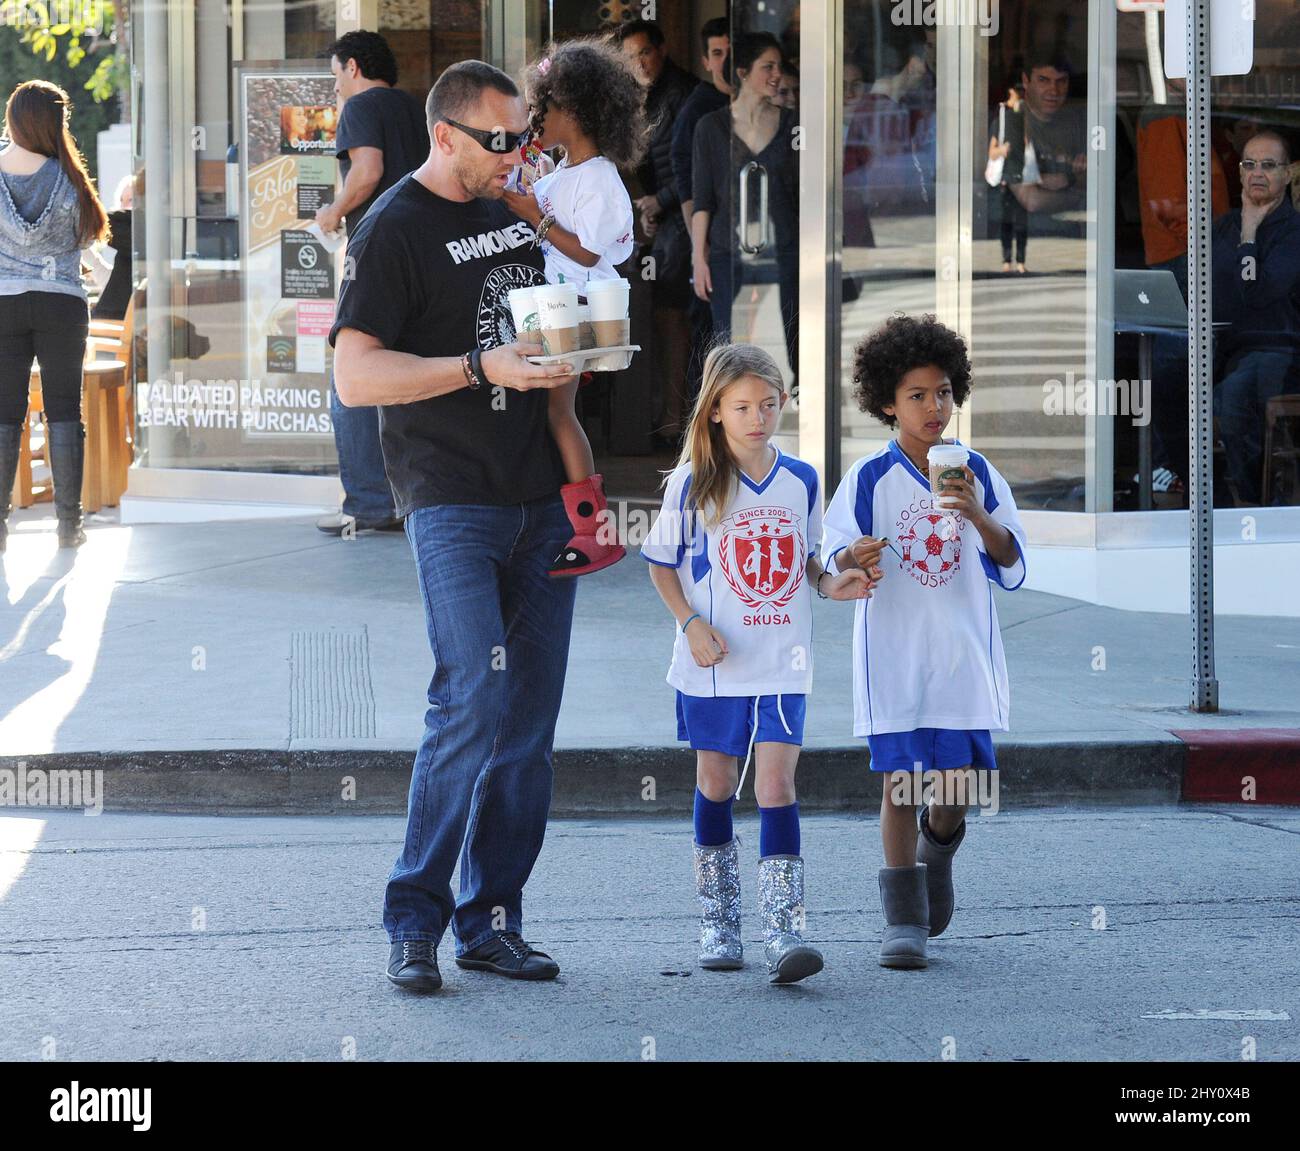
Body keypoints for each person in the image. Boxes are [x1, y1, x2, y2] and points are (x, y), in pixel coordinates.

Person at [329, 59, 581, 993]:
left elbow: (537, 336)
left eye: (526, 138)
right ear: (446, 136)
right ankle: (415, 921)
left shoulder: (511, 214)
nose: (518, 154)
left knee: (529, 723)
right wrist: (480, 369)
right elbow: (357, 378)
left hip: (538, 495)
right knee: (470, 697)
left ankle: (494, 922)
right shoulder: (392, 225)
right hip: (449, 497)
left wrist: (568, 360)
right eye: (501, 139)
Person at [642, 341, 871, 984]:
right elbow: (661, 565)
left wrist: (835, 585)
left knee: (777, 788)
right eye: (742, 406)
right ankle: (719, 921)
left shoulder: (801, 479)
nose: (757, 417)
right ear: (716, 410)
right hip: (714, 667)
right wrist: (690, 625)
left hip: (782, 665)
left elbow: (805, 566)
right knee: (716, 786)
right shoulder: (693, 482)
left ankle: (784, 931)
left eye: (769, 405)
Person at [820, 314, 1027, 969]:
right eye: (917, 395)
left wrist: (976, 512)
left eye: (942, 391)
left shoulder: (978, 471)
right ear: (887, 402)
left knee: (955, 785)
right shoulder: (866, 479)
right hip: (895, 656)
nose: (934, 406)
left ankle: (937, 850)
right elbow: (829, 556)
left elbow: (1014, 562)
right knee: (899, 785)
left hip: (962, 655)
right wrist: (852, 556)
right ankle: (902, 918)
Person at [503, 37, 645, 576]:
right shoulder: (563, 174)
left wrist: (532, 214)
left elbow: (586, 249)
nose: (540, 115)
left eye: (549, 106)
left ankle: (593, 530)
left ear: (578, 112)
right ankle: (575, 521)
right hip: (555, 304)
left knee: (560, 413)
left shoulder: (601, 179)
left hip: (579, 307)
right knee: (552, 411)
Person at [316, 30, 429, 538]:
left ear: (354, 67)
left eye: (337, 73)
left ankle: (367, 502)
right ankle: (409, 498)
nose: (336, 85)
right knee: (408, 376)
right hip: (423, 252)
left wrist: (333, 211)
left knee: (352, 374)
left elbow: (368, 169)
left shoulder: (361, 108)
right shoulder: (415, 109)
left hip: (377, 254)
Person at [0, 80, 108, 552]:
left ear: (14, 119)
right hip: (61, 302)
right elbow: (87, 239)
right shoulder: (68, 177)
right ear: (54, 122)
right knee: (64, 409)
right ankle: (69, 525)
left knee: (4, 412)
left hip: (2, 301)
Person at [1134, 76, 1231, 498]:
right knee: (1176, 363)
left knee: (1183, 361)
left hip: (1191, 251)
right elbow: (1170, 203)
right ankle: (1159, 463)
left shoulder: (1179, 111)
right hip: (1184, 254)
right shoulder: (1163, 114)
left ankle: (1170, 462)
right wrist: (1210, 244)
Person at [692, 33, 800, 393]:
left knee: (796, 339)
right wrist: (698, 258)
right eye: (767, 67)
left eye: (779, 67)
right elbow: (703, 200)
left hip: (784, 248)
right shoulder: (710, 128)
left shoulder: (793, 125)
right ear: (742, 72)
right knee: (730, 347)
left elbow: (808, 194)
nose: (776, 75)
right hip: (728, 251)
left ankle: (797, 412)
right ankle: (734, 413)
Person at [616, 18, 698, 444]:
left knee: (671, 317)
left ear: (662, 50)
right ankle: (665, 415)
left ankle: (674, 419)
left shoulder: (682, 93)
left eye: (644, 52)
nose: (639, 62)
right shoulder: (637, 98)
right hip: (662, 222)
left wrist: (658, 202)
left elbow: (688, 165)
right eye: (629, 56)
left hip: (683, 222)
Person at [1211, 129, 1300, 505]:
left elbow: (1256, 292)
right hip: (1224, 347)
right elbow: (1195, 286)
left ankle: (1256, 505)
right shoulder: (1222, 226)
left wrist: (1249, 232)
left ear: (1290, 173)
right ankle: (1202, 496)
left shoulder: (1294, 232)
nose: (1257, 173)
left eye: (1269, 165)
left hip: (1281, 350)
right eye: (1249, 164)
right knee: (1164, 374)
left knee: (1235, 395)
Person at [671, 16, 732, 409]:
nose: (725, 62)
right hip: (709, 245)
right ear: (706, 60)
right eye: (717, 53)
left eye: (732, 53)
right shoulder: (700, 110)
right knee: (712, 344)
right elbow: (688, 181)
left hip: (741, 247)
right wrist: (701, 248)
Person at [1007, 51, 1086, 220]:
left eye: (1061, 81)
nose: (1054, 90)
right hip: (1031, 238)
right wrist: (1079, 194)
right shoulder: (1012, 123)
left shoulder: (1079, 121)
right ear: (1025, 81)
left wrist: (1068, 179)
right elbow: (1032, 200)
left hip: (1082, 235)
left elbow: (1101, 179)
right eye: (1043, 80)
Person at [987, 84, 1028, 273]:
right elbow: (992, 151)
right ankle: (1006, 260)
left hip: (1022, 177)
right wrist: (1002, 150)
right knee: (1006, 221)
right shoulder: (1001, 120)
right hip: (1005, 178)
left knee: (1021, 222)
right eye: (1017, 95)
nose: (1019, 100)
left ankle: (1020, 261)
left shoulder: (1026, 120)